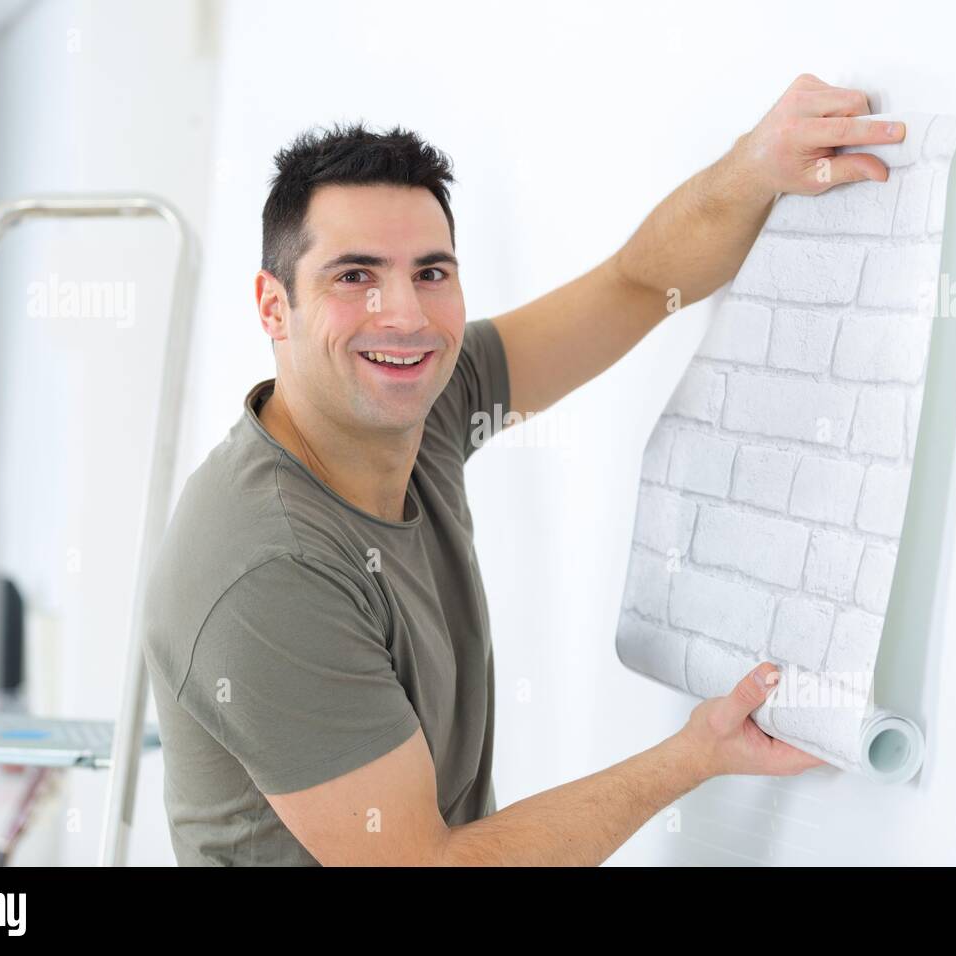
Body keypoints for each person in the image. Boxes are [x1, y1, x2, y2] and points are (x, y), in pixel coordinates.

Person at [142, 73, 905, 865]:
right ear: (274, 307)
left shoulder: (424, 396)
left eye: (431, 273)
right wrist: (693, 754)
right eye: (355, 276)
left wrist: (753, 169)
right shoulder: (268, 568)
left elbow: (639, 285)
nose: (403, 314)